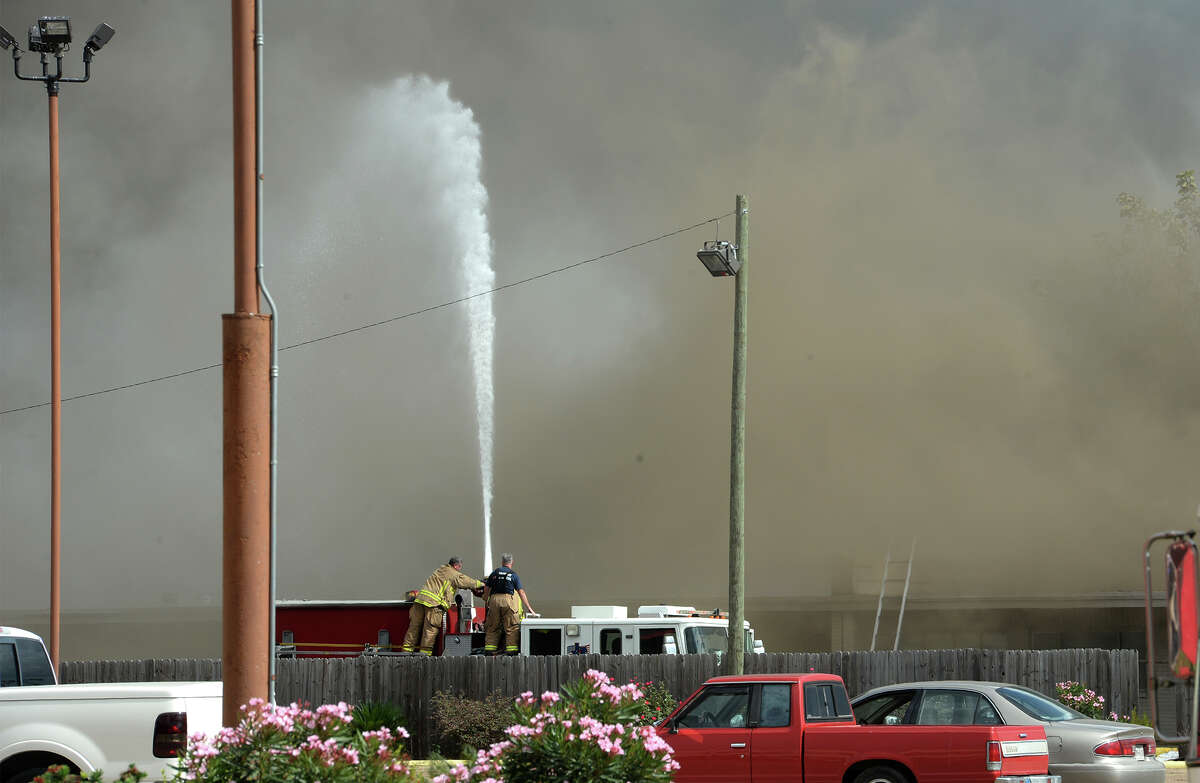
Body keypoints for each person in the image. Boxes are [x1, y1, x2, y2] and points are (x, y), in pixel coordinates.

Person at [400, 557, 485, 655]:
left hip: (419, 601)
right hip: (434, 605)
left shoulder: (440, 569)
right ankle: (423, 656)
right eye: (460, 567)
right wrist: (482, 584)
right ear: (457, 565)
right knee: (429, 632)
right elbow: (468, 582)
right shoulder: (454, 574)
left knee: (413, 629)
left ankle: (405, 654)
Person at [483, 552, 536, 655]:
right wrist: (529, 608)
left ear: (502, 562)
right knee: (511, 627)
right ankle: (511, 652)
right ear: (512, 563)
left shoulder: (494, 573)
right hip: (509, 601)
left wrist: (486, 600)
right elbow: (521, 592)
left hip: (494, 600)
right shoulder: (513, 575)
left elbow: (486, 589)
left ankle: (489, 650)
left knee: (493, 626)